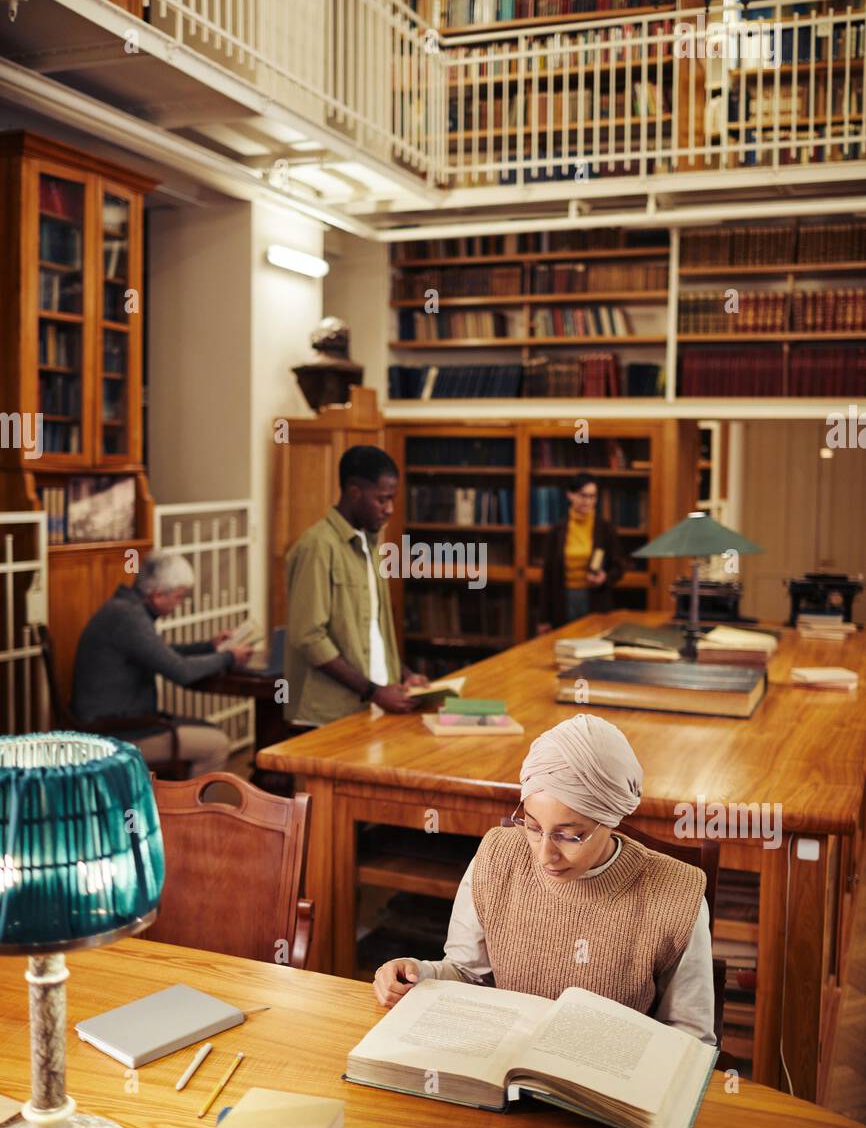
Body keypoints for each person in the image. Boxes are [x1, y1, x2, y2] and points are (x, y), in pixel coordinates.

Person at [373, 714, 715, 1045]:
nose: (544, 855)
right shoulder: (497, 856)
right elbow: (466, 974)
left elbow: (690, 1037)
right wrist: (418, 975)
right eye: (534, 827)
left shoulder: (677, 895)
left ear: (610, 820)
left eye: (569, 836)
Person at [283, 444, 428, 728]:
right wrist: (373, 691)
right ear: (353, 492)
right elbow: (309, 637)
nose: (390, 510)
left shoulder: (371, 544)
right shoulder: (318, 546)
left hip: (369, 706)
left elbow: (372, 631)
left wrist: (403, 674)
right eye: (382, 500)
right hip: (326, 713)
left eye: (392, 500)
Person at [72, 552, 252, 775]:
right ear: (157, 595)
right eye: (178, 597)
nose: (179, 604)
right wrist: (229, 657)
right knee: (217, 743)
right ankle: (187, 809)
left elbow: (162, 654)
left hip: (114, 722)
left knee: (210, 732)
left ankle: (177, 803)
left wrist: (209, 646)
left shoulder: (124, 608)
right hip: (115, 732)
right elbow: (181, 671)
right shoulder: (129, 618)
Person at [536, 472, 626, 632]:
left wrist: (604, 577)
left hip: (595, 599)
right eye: (583, 496)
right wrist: (544, 618)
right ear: (570, 495)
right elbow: (547, 577)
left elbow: (619, 567)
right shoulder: (557, 531)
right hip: (563, 600)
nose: (588, 501)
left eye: (593, 497)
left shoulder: (605, 529)